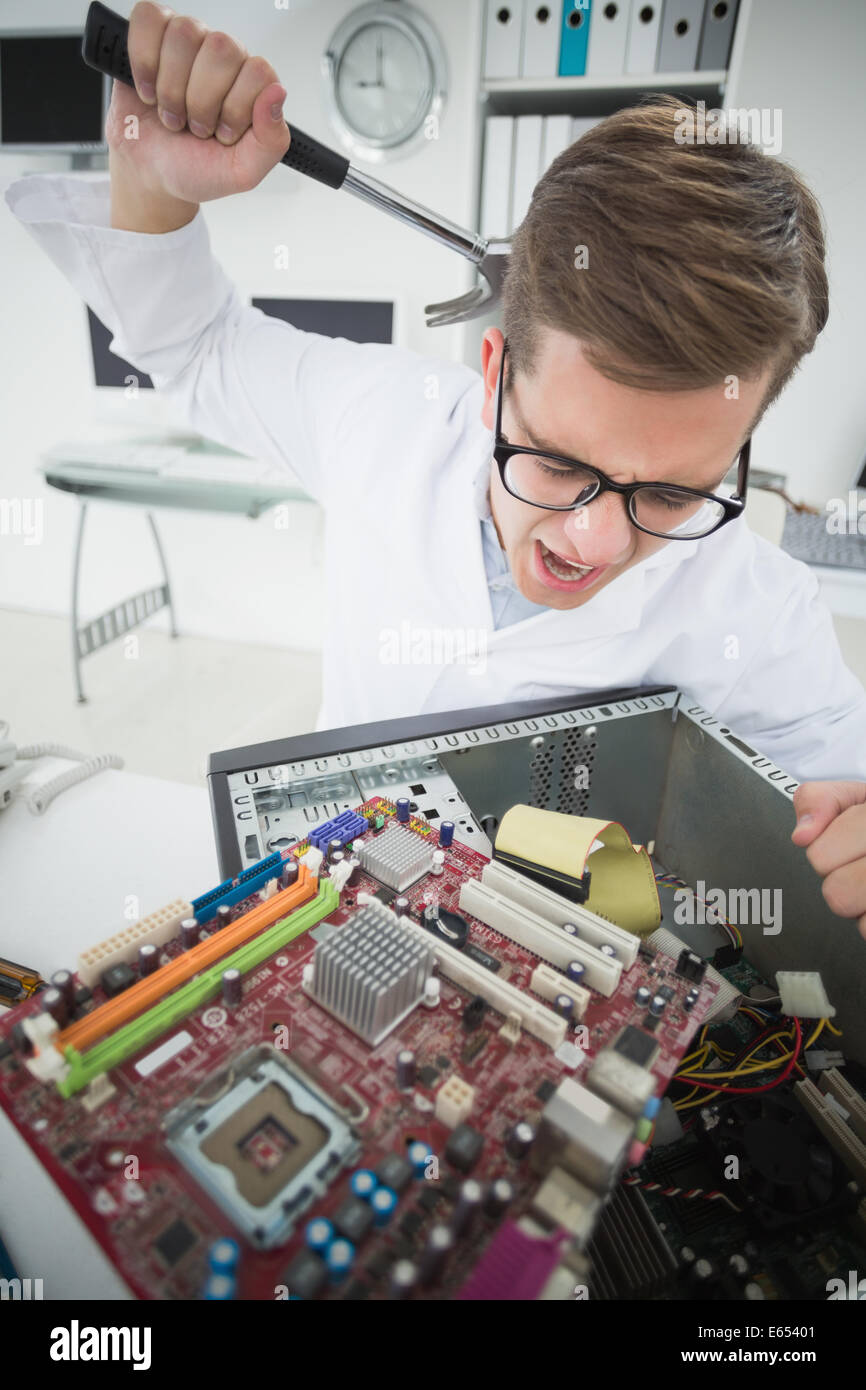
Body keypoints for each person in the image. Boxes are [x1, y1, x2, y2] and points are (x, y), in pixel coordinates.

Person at [6, 3, 866, 939]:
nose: (598, 539)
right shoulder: (383, 418)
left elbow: (841, 799)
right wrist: (148, 176)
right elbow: (196, 347)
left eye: (673, 491)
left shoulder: (762, 617)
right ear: (492, 376)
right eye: (562, 461)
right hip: (326, 909)